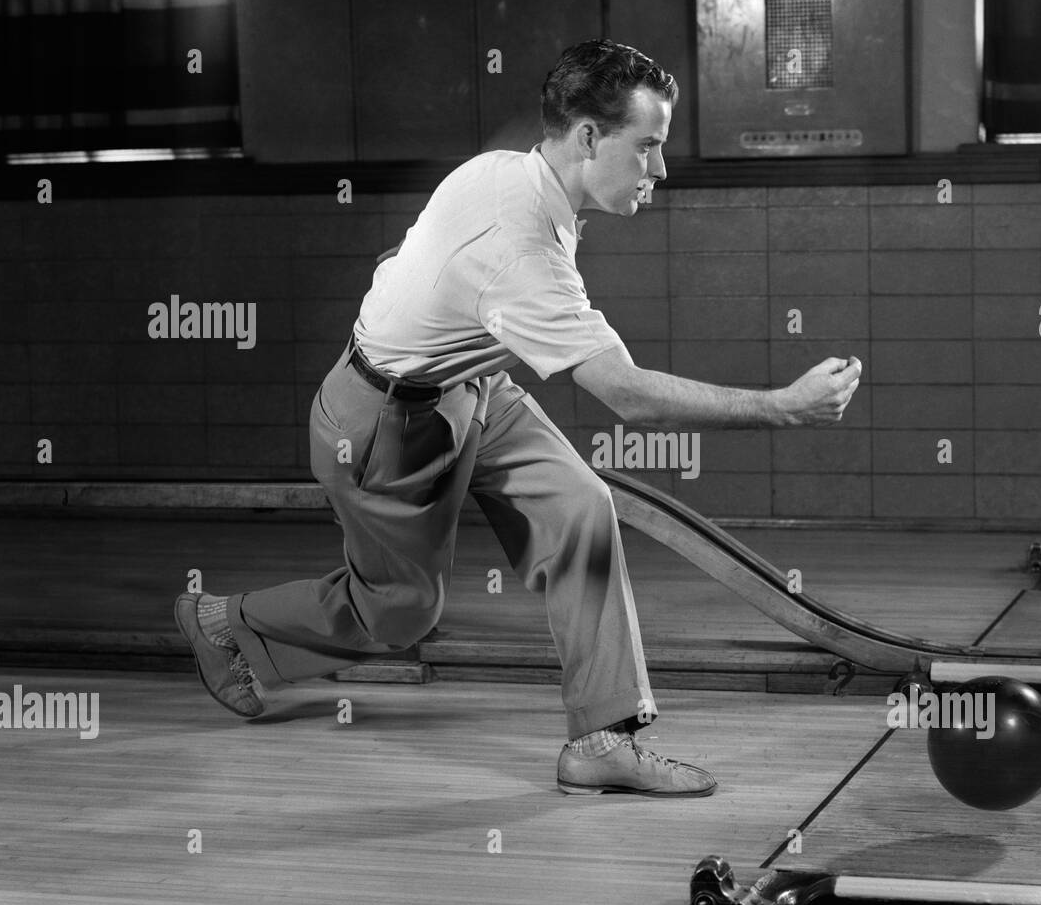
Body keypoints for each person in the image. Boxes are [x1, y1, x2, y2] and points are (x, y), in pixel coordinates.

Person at [176, 39, 861, 798]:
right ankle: (222, 622)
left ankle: (603, 738)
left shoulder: (503, 171)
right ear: (590, 138)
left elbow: (396, 257)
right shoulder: (520, 247)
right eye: (649, 147)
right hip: (381, 424)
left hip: (472, 389)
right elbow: (628, 397)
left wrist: (430, 331)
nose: (660, 170)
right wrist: (783, 408)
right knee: (400, 615)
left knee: (581, 506)